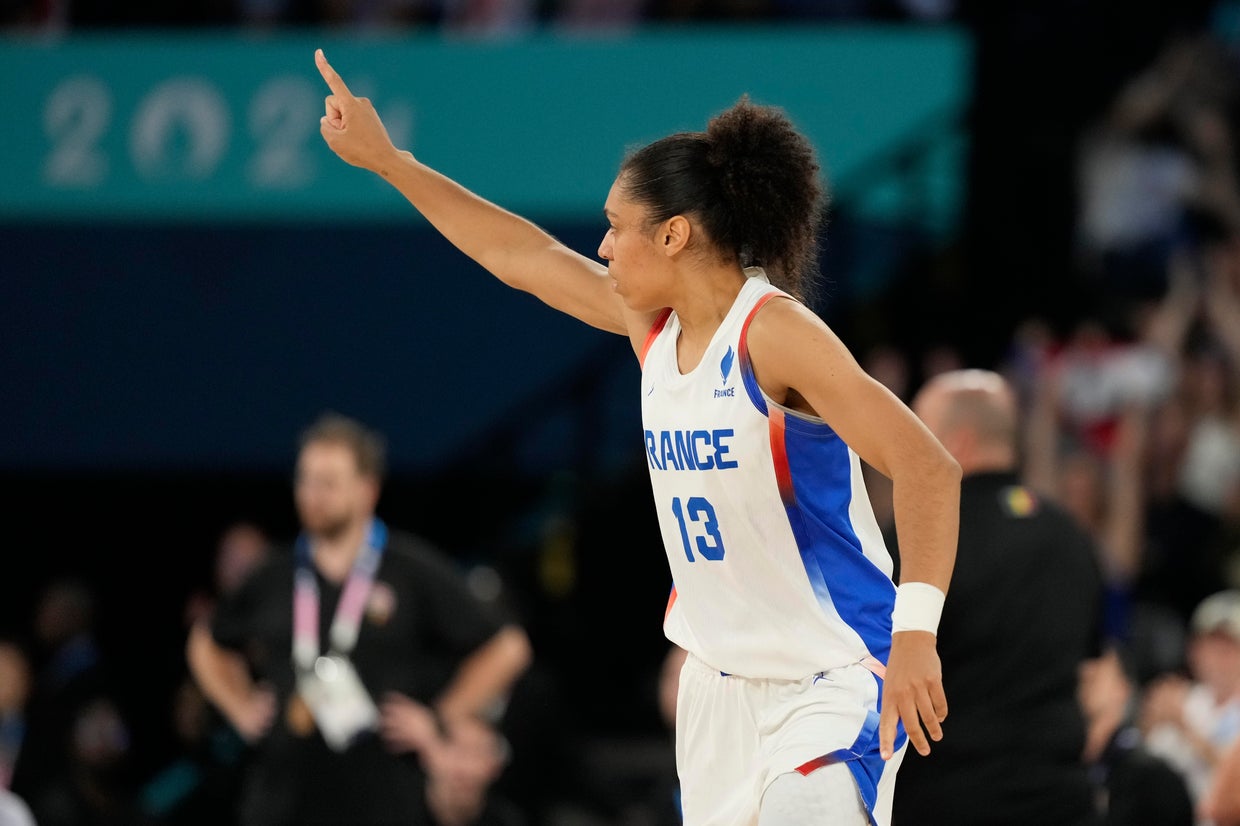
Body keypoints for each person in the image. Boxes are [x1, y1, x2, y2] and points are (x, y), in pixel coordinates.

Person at [313, 48, 961, 826]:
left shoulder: (774, 333)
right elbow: (520, 256)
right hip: (716, 691)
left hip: (830, 675)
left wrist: (916, 634)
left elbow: (928, 466)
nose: (603, 246)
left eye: (618, 227)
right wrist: (390, 163)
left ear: (675, 234)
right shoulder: (654, 331)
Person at [185, 412, 534, 826]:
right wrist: (239, 705)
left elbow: (508, 648)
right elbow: (206, 642)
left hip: (386, 801)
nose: (313, 494)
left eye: (329, 482)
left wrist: (441, 716)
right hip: (282, 802)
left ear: (368, 490)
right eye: (305, 480)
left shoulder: (409, 569)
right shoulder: (274, 573)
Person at [890, 369, 1106, 826]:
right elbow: (1096, 671)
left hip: (945, 798)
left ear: (958, 442)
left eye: (917, 431)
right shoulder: (1069, 534)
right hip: (1060, 798)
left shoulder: (920, 538)